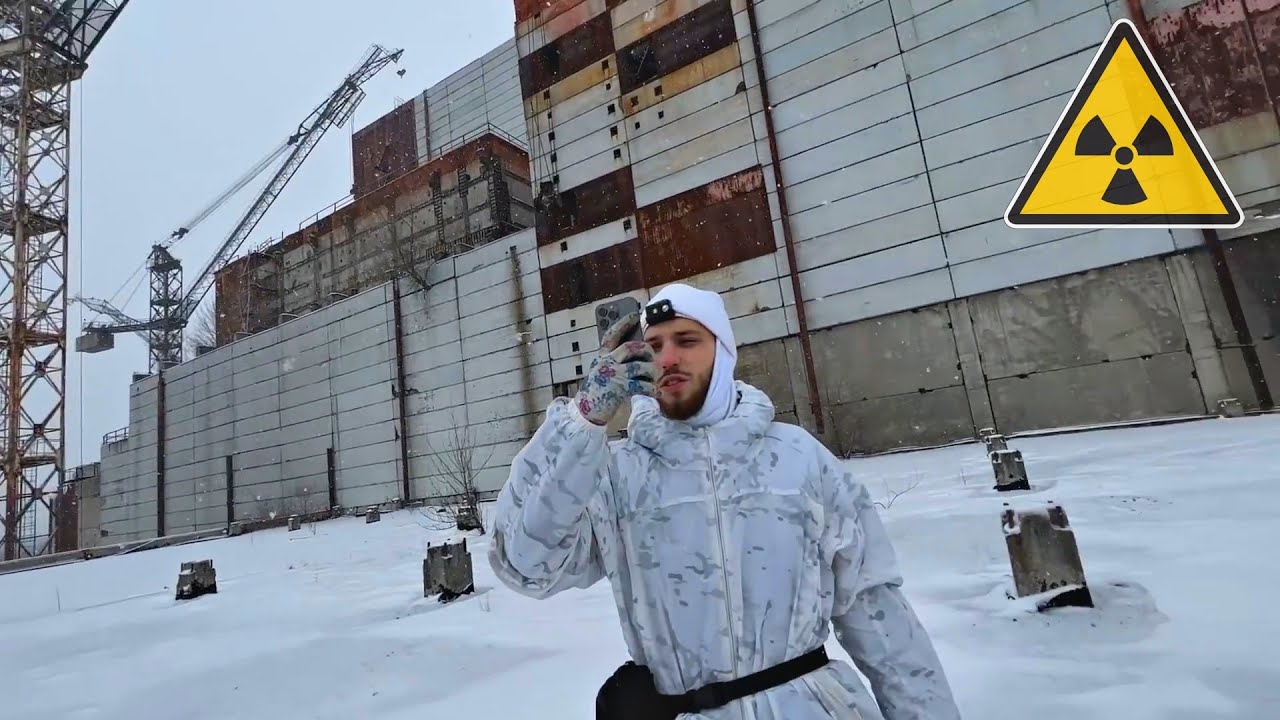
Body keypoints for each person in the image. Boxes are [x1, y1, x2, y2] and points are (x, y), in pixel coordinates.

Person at [488, 283, 961, 719]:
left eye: (687, 340)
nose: (667, 357)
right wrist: (581, 422)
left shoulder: (798, 459)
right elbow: (525, 566)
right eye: (653, 346)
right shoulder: (617, 475)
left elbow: (878, 615)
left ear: (725, 351)